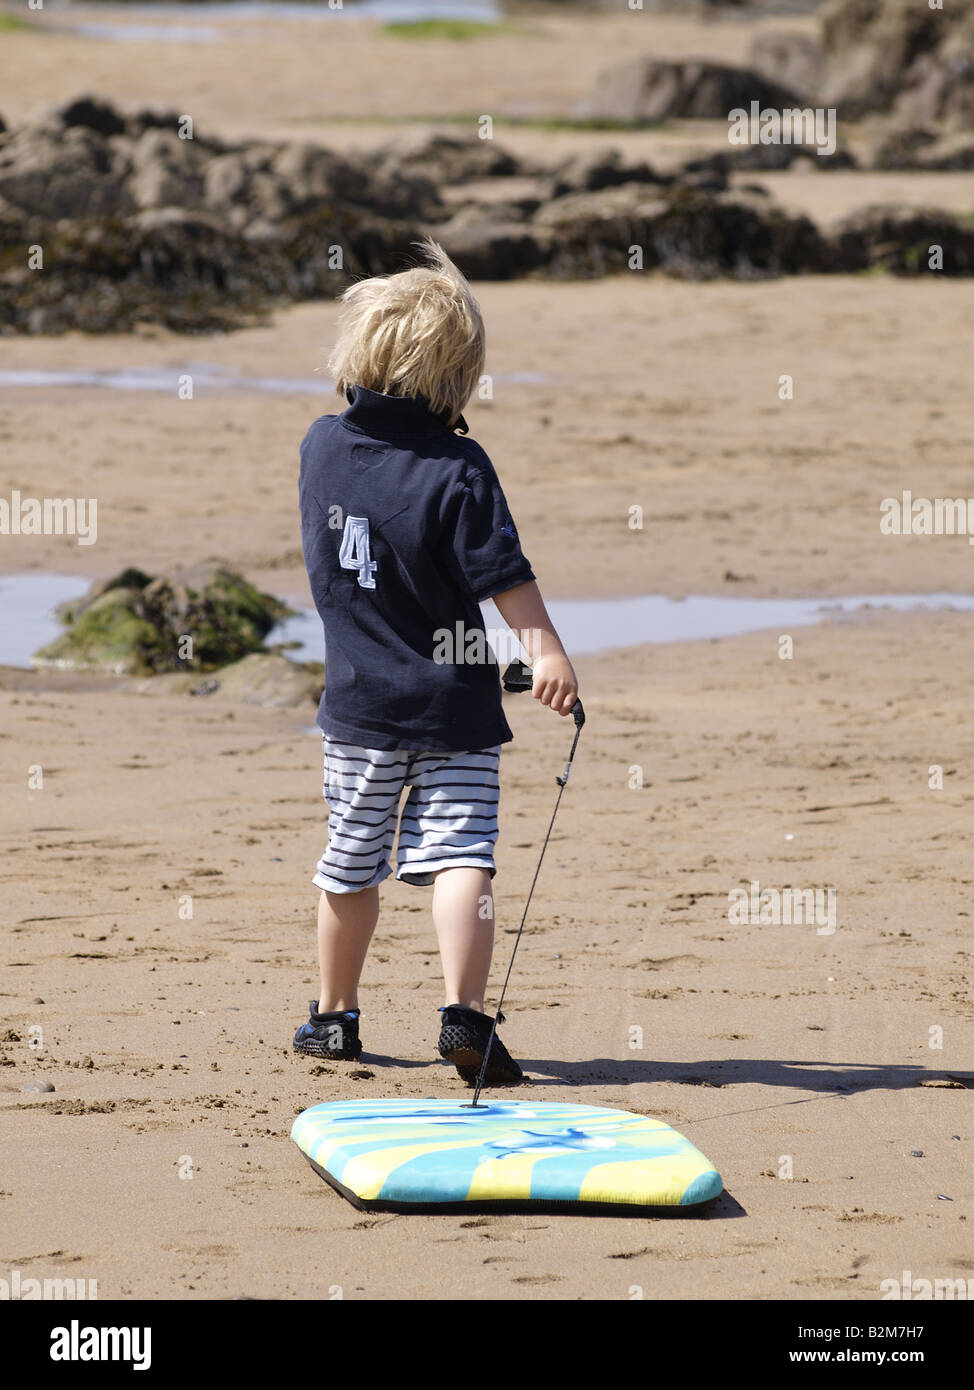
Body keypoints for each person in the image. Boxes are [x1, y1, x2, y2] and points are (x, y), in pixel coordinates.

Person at [293, 239, 578, 1085]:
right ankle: (463, 1016)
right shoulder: (461, 467)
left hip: (359, 713)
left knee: (350, 866)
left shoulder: (320, 447)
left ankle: (335, 1019)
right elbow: (504, 578)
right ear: (457, 379)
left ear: (359, 355)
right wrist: (547, 653)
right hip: (455, 712)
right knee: (464, 859)